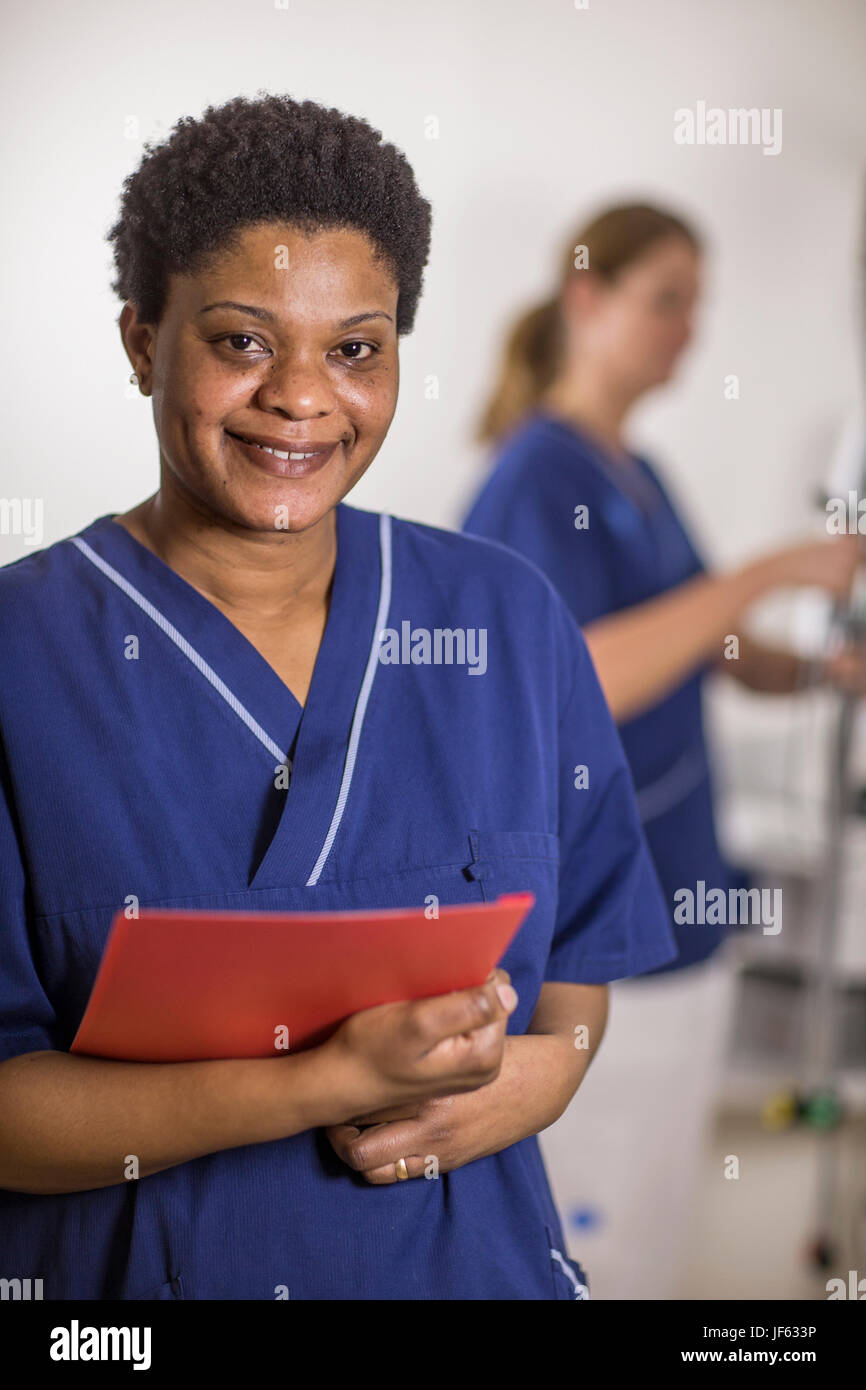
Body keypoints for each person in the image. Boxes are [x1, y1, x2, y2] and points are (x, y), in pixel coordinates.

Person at [0, 101, 677, 1301]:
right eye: (242, 342)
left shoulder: (504, 620)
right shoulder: (22, 652)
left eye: (355, 348)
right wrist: (324, 1080)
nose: (303, 397)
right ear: (140, 338)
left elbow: (580, 963)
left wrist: (554, 1069)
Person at [462, 203, 862, 1297]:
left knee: (656, 1213)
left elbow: (712, 646)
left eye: (699, 302)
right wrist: (770, 568)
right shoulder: (537, 477)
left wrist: (821, 668)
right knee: (601, 1235)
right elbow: (578, 674)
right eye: (667, 297)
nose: (691, 328)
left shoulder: (635, 471)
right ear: (586, 299)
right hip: (604, 940)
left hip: (685, 901)